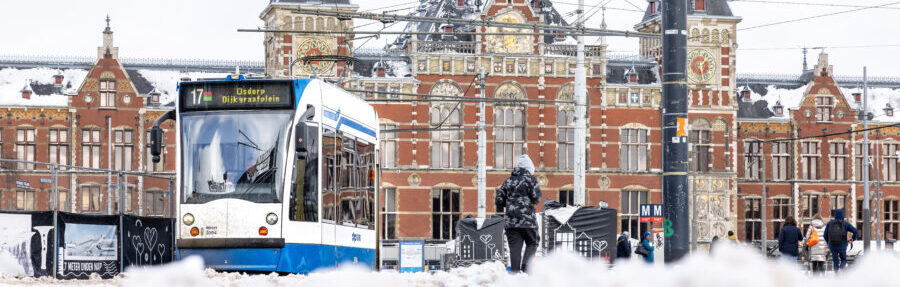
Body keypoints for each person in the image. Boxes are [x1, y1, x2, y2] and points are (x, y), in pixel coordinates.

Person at [495, 154, 541, 273]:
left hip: (511, 221)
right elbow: (537, 198)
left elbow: (498, 200)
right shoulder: (531, 179)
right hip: (528, 220)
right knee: (532, 242)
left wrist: (510, 204)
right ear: (530, 168)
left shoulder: (508, 181)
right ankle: (526, 266)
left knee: (515, 248)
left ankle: (515, 274)